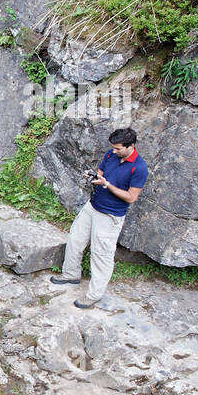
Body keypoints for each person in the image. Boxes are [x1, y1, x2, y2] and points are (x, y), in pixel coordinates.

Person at [50, 127, 148, 308]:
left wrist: (107, 185)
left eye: (118, 148)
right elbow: (101, 173)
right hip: (93, 206)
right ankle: (71, 274)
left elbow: (131, 197)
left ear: (130, 146)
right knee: (75, 239)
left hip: (110, 215)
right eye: (113, 147)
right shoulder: (111, 156)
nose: (114, 151)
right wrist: (93, 177)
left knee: (101, 254)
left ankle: (94, 294)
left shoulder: (139, 168)